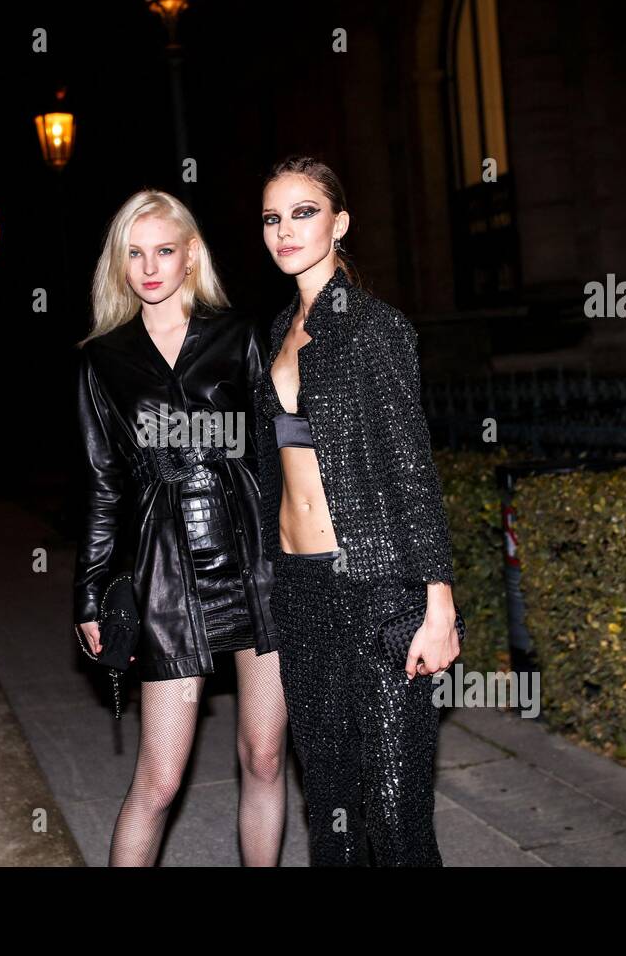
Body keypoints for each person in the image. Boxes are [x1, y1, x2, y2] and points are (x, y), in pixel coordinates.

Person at [254, 155, 460, 866]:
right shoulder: (277, 331)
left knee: (397, 816)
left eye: (304, 212)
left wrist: (438, 606)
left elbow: (412, 469)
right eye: (273, 218)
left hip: (377, 587)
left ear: (339, 223)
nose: (285, 230)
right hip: (301, 589)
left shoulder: (375, 329)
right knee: (332, 808)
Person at [74, 188, 287, 866]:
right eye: (134, 254)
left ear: (191, 254)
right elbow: (105, 484)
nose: (150, 267)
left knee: (265, 754)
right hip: (165, 575)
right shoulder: (103, 358)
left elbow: (274, 453)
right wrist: (89, 593)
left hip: (254, 561)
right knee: (160, 781)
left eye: (164, 250)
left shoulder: (240, 336)